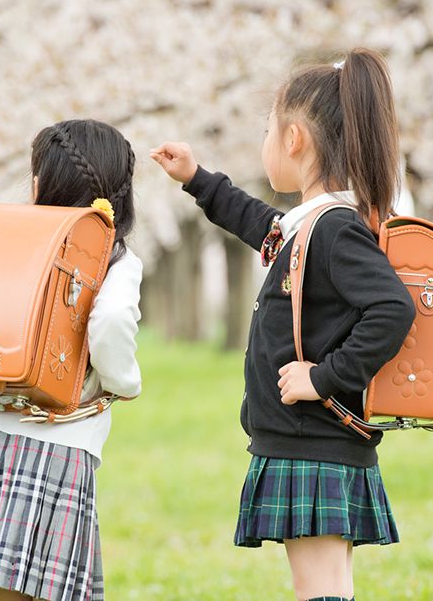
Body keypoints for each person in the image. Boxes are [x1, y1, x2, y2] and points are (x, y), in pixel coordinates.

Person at [150, 47, 416, 601]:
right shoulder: (312, 226)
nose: (266, 141)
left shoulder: (334, 228)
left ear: (294, 139)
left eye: (268, 130)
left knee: (319, 590)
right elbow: (261, 224)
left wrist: (322, 377)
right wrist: (197, 179)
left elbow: (393, 309)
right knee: (328, 588)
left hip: (314, 441)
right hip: (311, 441)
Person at [0, 119, 143, 601]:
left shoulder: (8, 240)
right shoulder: (114, 257)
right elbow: (112, 319)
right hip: (55, 445)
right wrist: (124, 381)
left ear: (39, 185)